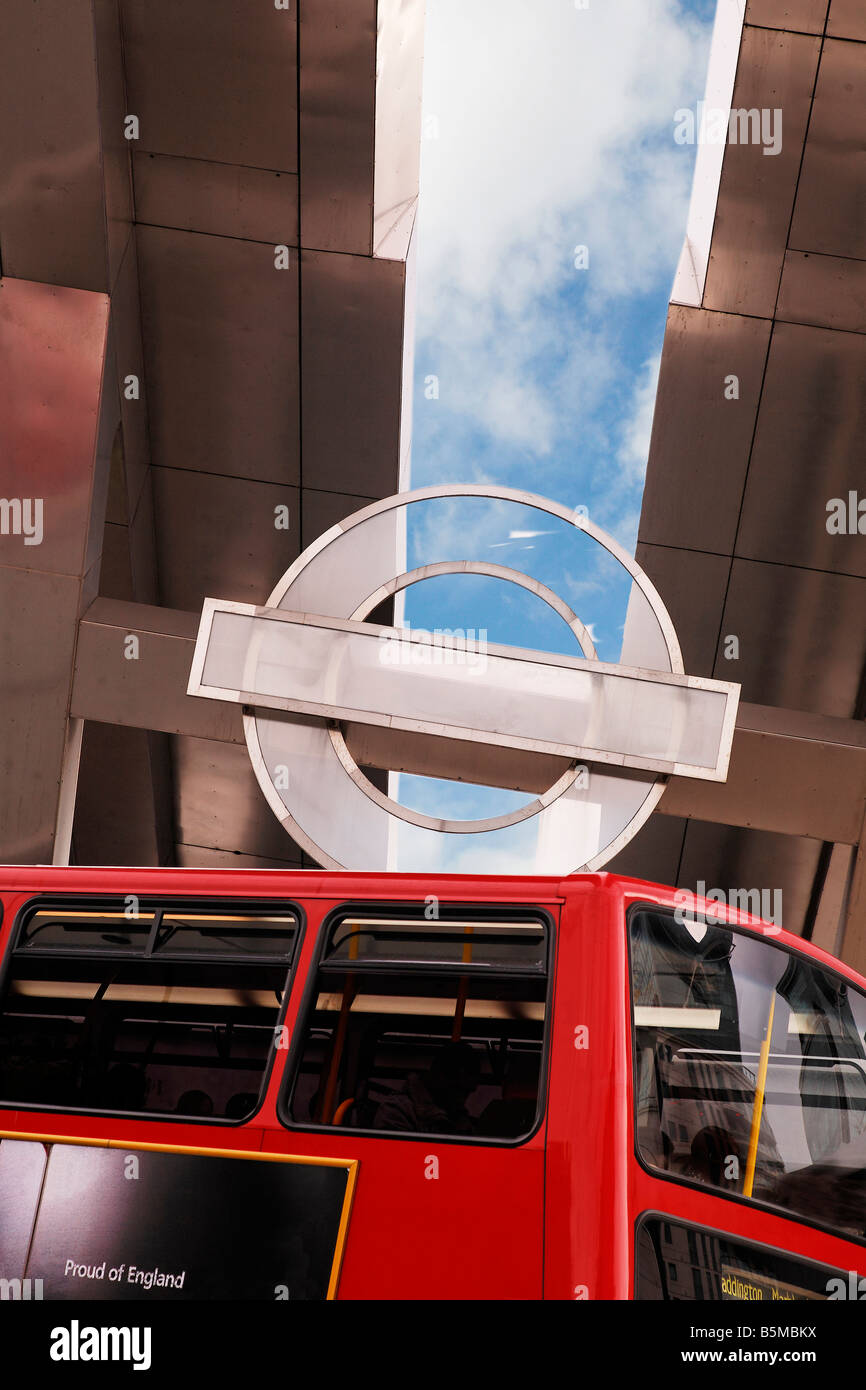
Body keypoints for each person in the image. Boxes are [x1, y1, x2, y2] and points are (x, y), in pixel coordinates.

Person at [373, 1041, 481, 1135]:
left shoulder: (459, 1118)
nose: (462, 1100)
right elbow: (394, 1153)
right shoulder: (397, 1110)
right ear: (440, 1078)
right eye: (459, 1090)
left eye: (467, 1093)